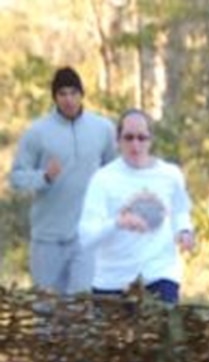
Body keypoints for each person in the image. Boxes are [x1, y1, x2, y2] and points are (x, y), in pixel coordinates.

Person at [8, 67, 117, 295]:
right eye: (63, 94)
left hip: (86, 237)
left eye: (74, 93)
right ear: (55, 97)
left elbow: (114, 172)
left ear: (82, 94)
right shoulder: (38, 132)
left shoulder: (103, 129)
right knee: (46, 311)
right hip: (47, 238)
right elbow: (16, 177)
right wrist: (44, 177)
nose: (69, 99)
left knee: (81, 309)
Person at [78, 109, 195, 304]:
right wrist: (117, 223)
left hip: (159, 276)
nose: (135, 145)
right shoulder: (103, 179)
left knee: (164, 333)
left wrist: (184, 232)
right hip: (113, 282)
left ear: (151, 140)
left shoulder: (171, 175)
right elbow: (86, 237)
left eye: (142, 138)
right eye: (129, 138)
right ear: (118, 141)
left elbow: (180, 211)